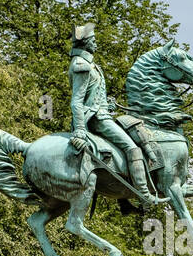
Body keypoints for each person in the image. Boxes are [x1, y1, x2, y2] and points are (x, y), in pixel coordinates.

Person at [67, 22, 165, 207]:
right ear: (85, 43)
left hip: (103, 114)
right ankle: (144, 194)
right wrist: (80, 130)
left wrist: (106, 103)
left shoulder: (89, 64)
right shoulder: (82, 65)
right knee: (132, 148)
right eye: (93, 40)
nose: (96, 44)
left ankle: (125, 202)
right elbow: (76, 101)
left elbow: (92, 95)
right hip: (97, 119)